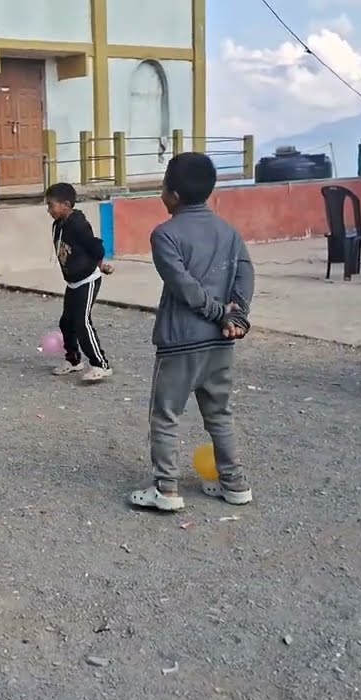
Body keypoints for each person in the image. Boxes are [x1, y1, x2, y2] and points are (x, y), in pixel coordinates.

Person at [130, 152, 254, 513]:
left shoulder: (164, 235)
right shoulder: (229, 232)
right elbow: (245, 273)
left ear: (173, 195)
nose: (161, 193)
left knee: (166, 415)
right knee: (220, 413)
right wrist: (236, 317)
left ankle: (166, 489)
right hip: (220, 343)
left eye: (162, 187)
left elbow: (182, 284)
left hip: (180, 342)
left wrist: (217, 312)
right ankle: (234, 483)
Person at [44, 182, 113, 382]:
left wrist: (100, 264)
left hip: (87, 279)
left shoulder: (79, 225)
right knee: (66, 322)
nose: (49, 210)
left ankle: (101, 364)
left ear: (65, 205)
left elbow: (96, 248)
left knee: (82, 322)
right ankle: (73, 360)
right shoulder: (58, 225)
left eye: (51, 205)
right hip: (73, 281)